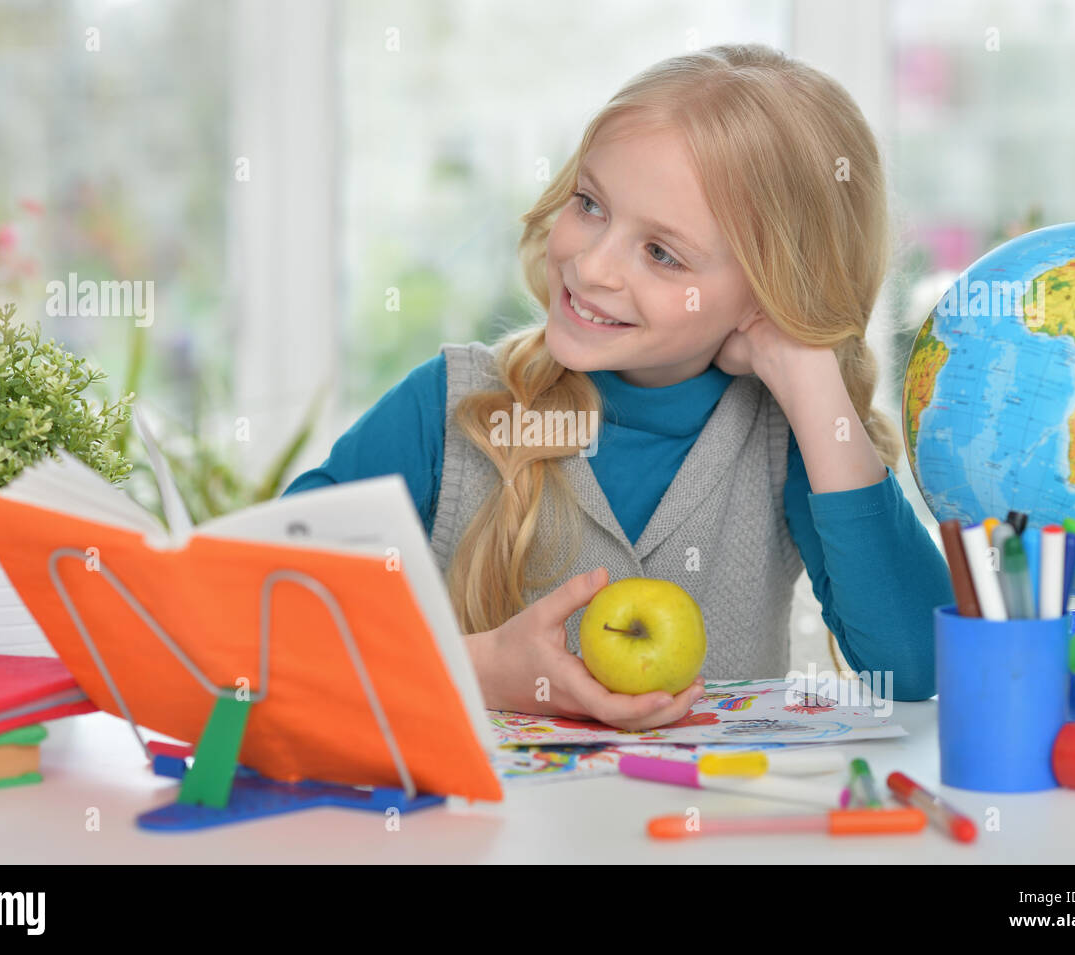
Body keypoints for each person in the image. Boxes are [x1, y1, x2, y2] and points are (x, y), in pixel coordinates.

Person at [285, 43, 953, 731]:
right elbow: (260, 616)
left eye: (662, 253)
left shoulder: (787, 441)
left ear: (765, 297)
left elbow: (917, 664)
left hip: (707, 838)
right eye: (591, 204)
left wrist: (809, 375)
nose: (592, 264)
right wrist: (478, 668)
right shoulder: (451, 407)